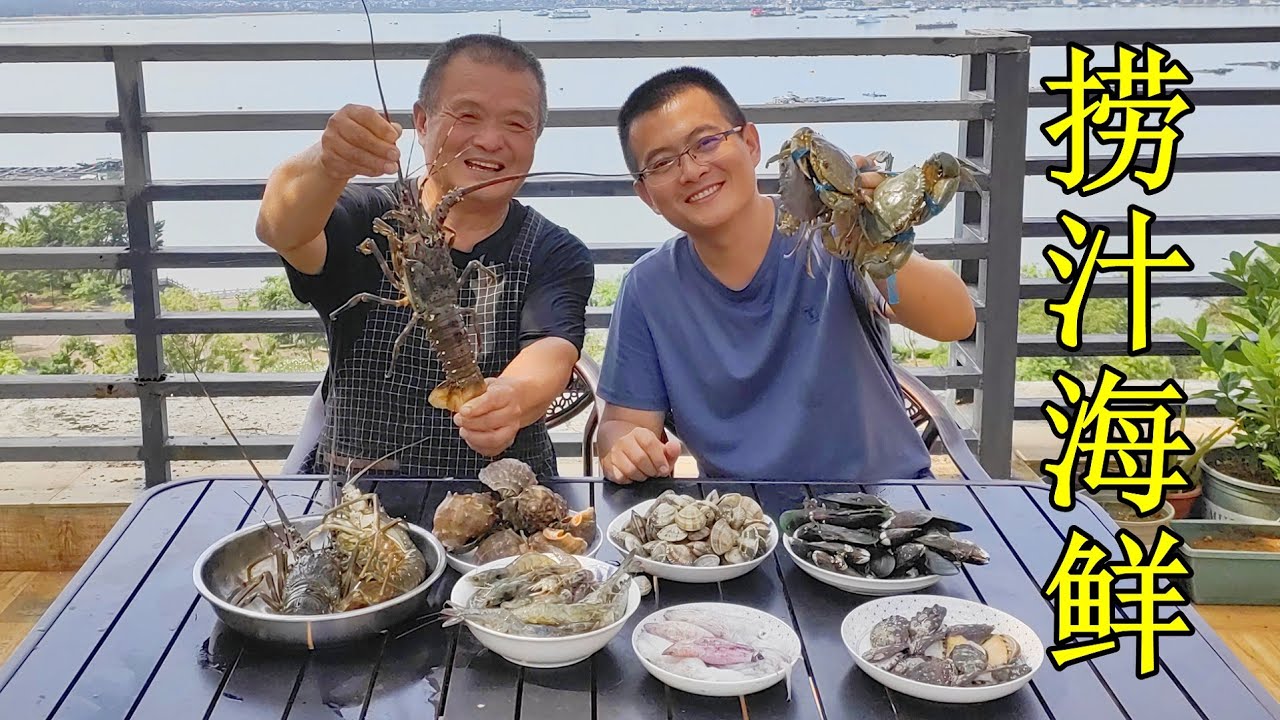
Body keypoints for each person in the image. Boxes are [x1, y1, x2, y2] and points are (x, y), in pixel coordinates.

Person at [595, 66, 977, 484]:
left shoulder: (834, 236)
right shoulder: (649, 289)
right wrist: (627, 449)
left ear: (751, 143)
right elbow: (623, 423)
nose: (691, 170)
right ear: (646, 194)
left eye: (706, 142)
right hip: (747, 513)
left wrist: (873, 238)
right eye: (662, 163)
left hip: (884, 497)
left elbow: (955, 320)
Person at [255, 34, 594, 479]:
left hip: (504, 488)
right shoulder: (367, 217)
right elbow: (281, 228)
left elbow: (552, 348)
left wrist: (510, 398)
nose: (491, 140)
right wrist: (328, 162)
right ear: (421, 121)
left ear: (536, 137)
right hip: (361, 486)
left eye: (516, 124)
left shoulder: (555, 251)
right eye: (467, 115)